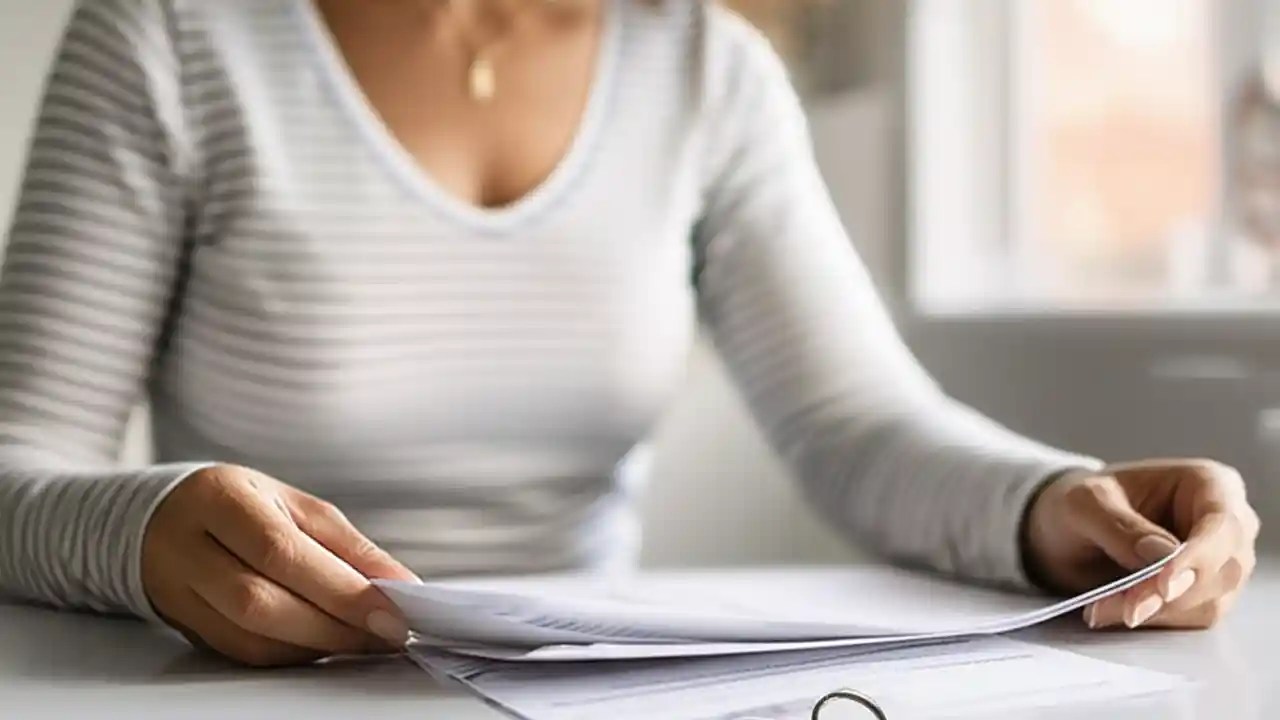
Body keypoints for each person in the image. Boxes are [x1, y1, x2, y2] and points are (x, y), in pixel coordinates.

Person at [0, 0, 1259, 667]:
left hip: (590, 694)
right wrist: (138, 534)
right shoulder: (168, 35)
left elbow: (855, 425)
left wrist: (1058, 504)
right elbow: (16, 459)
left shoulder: (707, 69)